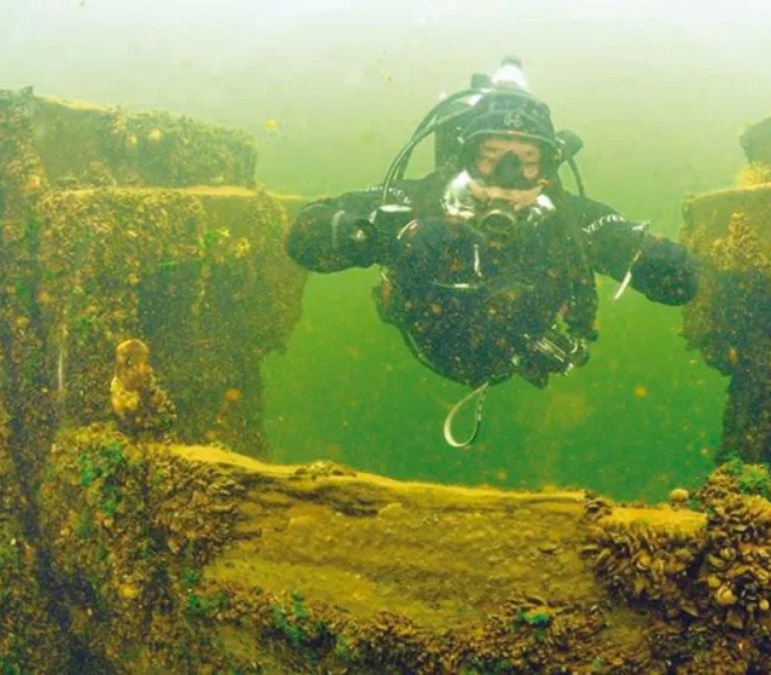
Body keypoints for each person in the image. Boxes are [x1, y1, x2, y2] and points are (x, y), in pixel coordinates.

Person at [287, 57, 697, 445]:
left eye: (527, 161)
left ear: (548, 169)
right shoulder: (420, 200)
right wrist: (376, 235)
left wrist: (636, 253)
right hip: (423, 344)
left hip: (517, 364)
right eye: (491, 157)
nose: (508, 177)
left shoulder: (569, 223)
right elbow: (304, 236)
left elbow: (681, 283)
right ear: (466, 157)